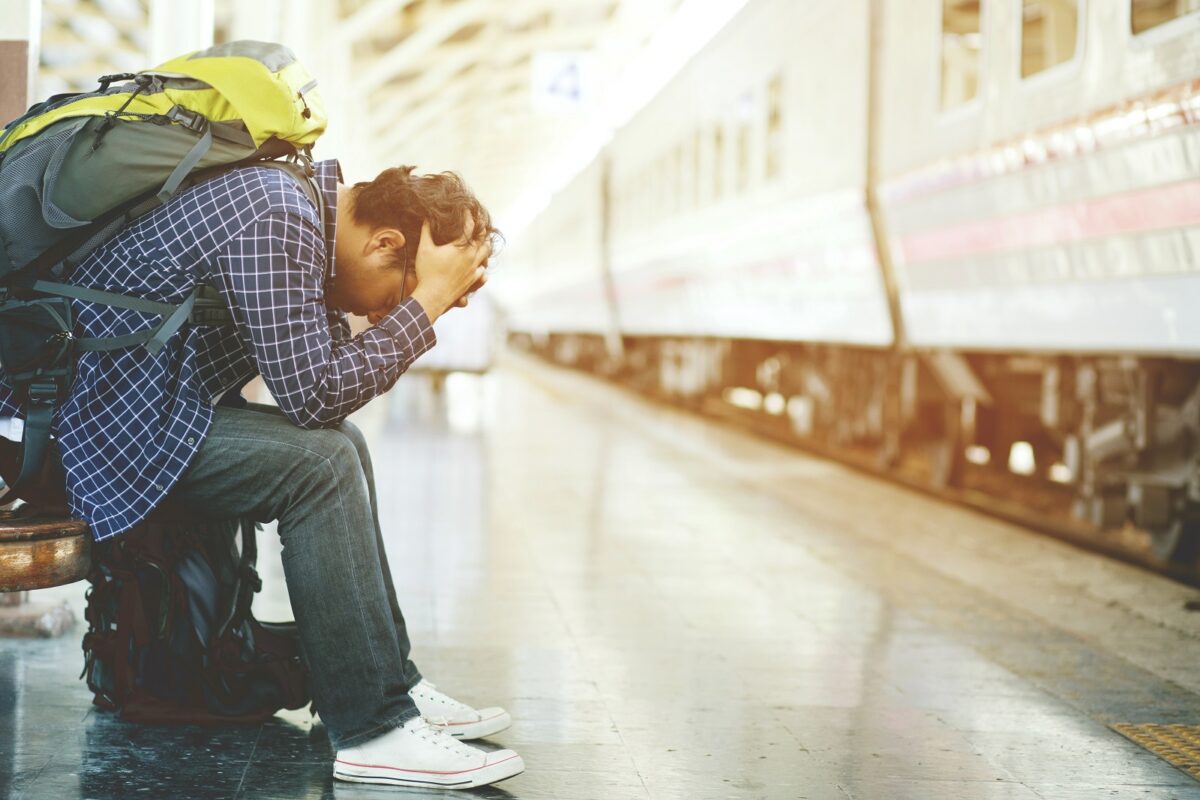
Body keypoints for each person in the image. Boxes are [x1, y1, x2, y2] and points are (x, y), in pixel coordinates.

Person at [0, 159, 525, 790]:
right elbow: (317, 393)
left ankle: (393, 687)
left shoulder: (297, 215)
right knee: (321, 465)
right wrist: (428, 304)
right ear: (384, 245)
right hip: (81, 432)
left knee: (342, 445)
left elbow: (324, 379)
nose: (392, 314)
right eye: (398, 294)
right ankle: (373, 730)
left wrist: (422, 295)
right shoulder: (280, 214)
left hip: (136, 415)